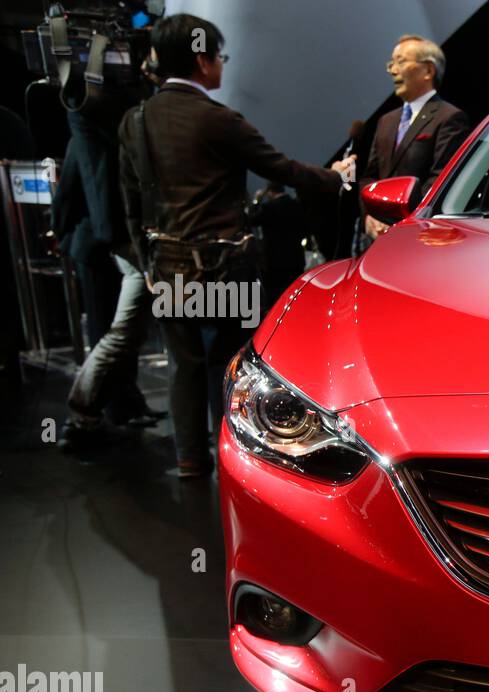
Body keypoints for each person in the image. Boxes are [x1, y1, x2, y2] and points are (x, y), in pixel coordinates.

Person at [118, 14, 356, 478]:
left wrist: (145, 260)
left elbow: (130, 201)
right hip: (227, 267)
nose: (221, 67)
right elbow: (281, 168)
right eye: (219, 57)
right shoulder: (219, 119)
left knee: (182, 364)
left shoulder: (136, 121)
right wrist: (336, 178)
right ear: (203, 61)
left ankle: (190, 459)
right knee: (229, 362)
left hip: (168, 265)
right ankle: (233, 457)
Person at [55, 83, 166, 453]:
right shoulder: (109, 144)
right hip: (102, 249)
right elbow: (70, 195)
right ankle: (89, 412)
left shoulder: (100, 142)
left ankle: (118, 406)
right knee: (116, 332)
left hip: (110, 247)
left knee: (123, 333)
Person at [359, 34, 470, 242]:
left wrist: (401, 221)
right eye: (391, 63)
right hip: (378, 237)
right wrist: (370, 215)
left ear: (428, 70)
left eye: (401, 62)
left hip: (419, 234)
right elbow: (369, 176)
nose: (393, 70)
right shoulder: (386, 121)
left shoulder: (449, 117)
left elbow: (440, 180)